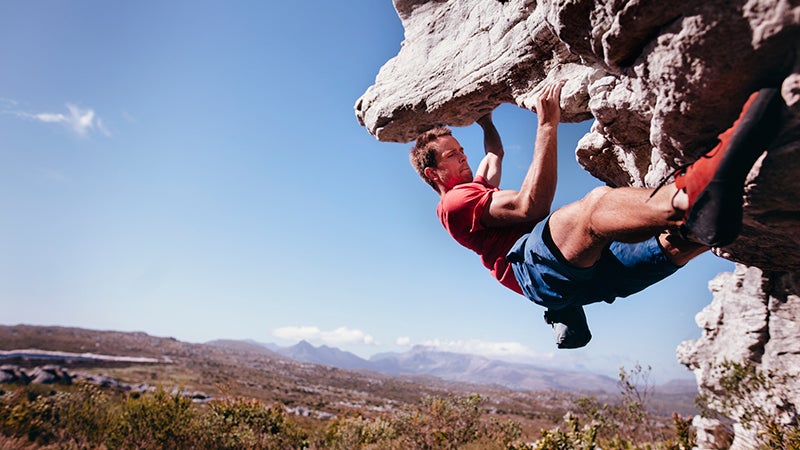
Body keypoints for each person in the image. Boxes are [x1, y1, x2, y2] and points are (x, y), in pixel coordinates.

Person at [409, 81, 785, 348]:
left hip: (576, 281)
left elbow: (494, 155)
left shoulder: (473, 188)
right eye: (452, 154)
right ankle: (694, 192)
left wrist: (486, 120)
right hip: (533, 269)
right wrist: (547, 123)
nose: (463, 155)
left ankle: (740, 205)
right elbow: (530, 207)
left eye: (460, 148)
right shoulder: (455, 203)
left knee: (681, 242)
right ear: (433, 174)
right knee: (595, 208)